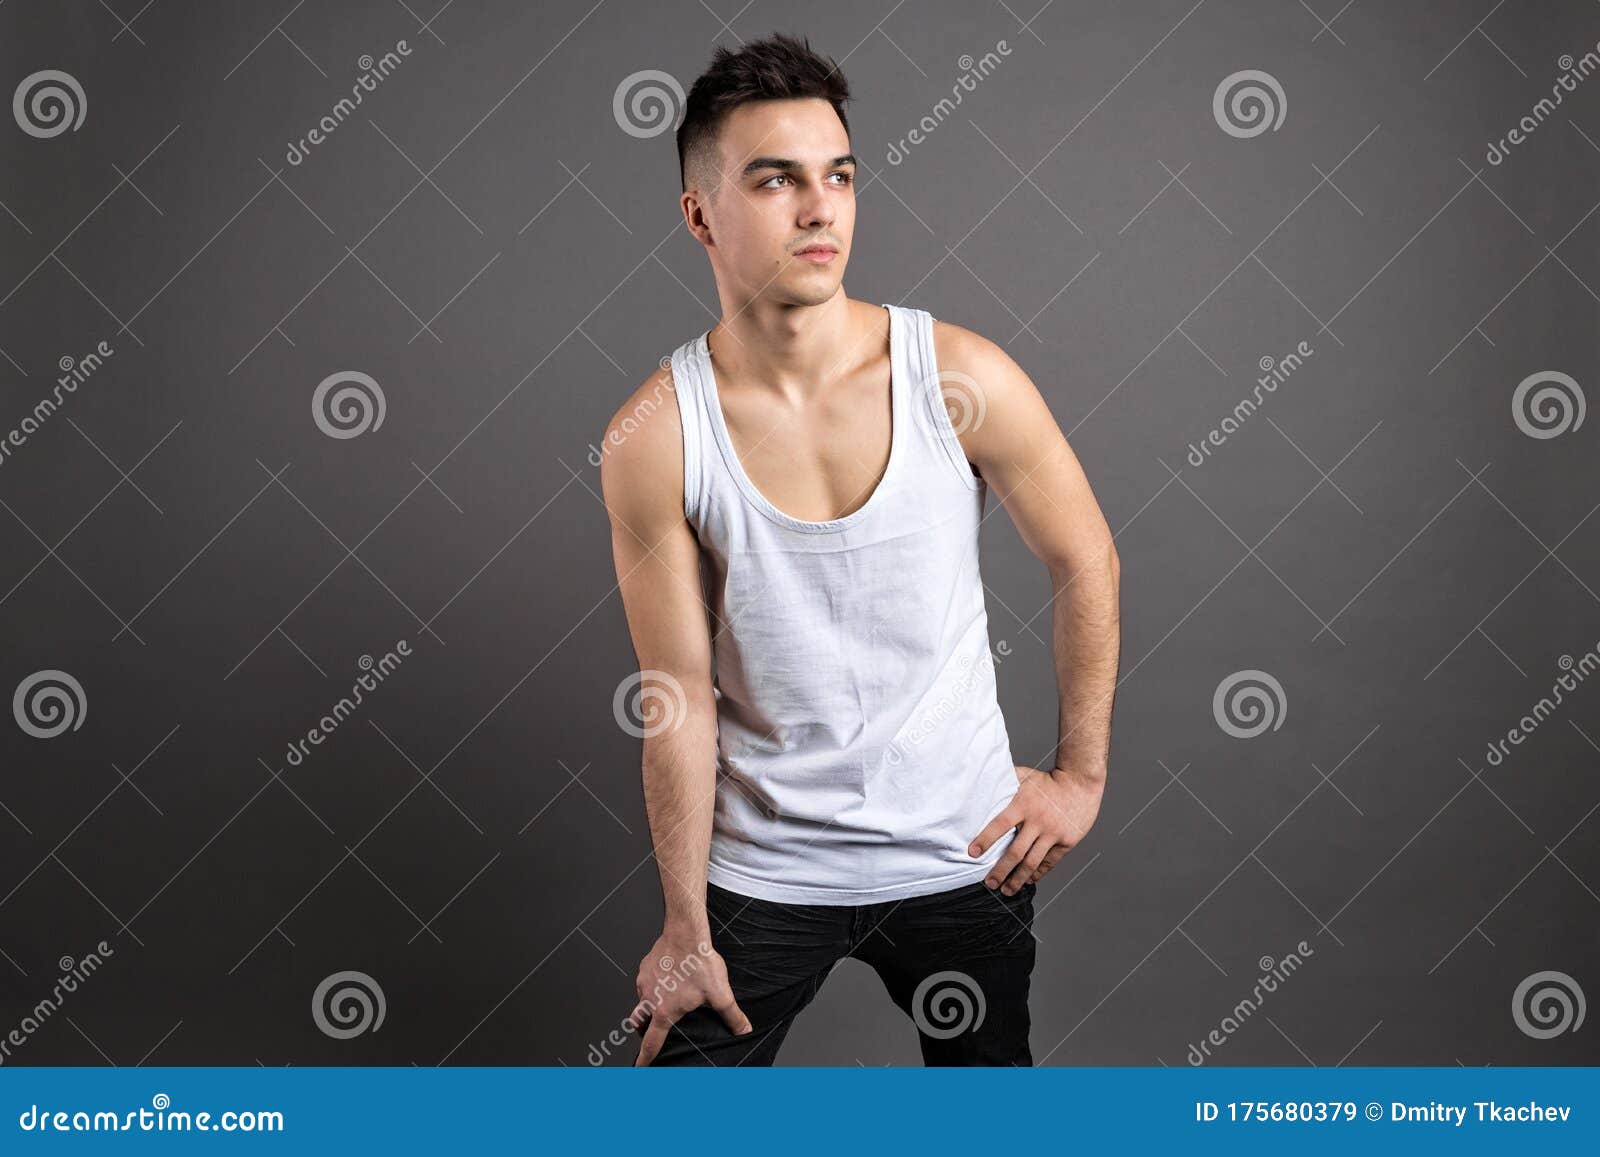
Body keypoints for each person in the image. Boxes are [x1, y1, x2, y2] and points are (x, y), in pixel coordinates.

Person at [599, 32, 1120, 1066]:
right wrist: (684, 922)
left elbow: (1086, 559)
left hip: (962, 859)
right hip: (764, 872)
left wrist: (1079, 776)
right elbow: (677, 694)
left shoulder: (960, 376)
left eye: (837, 175)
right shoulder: (657, 432)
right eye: (776, 180)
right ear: (701, 213)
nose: (819, 206)